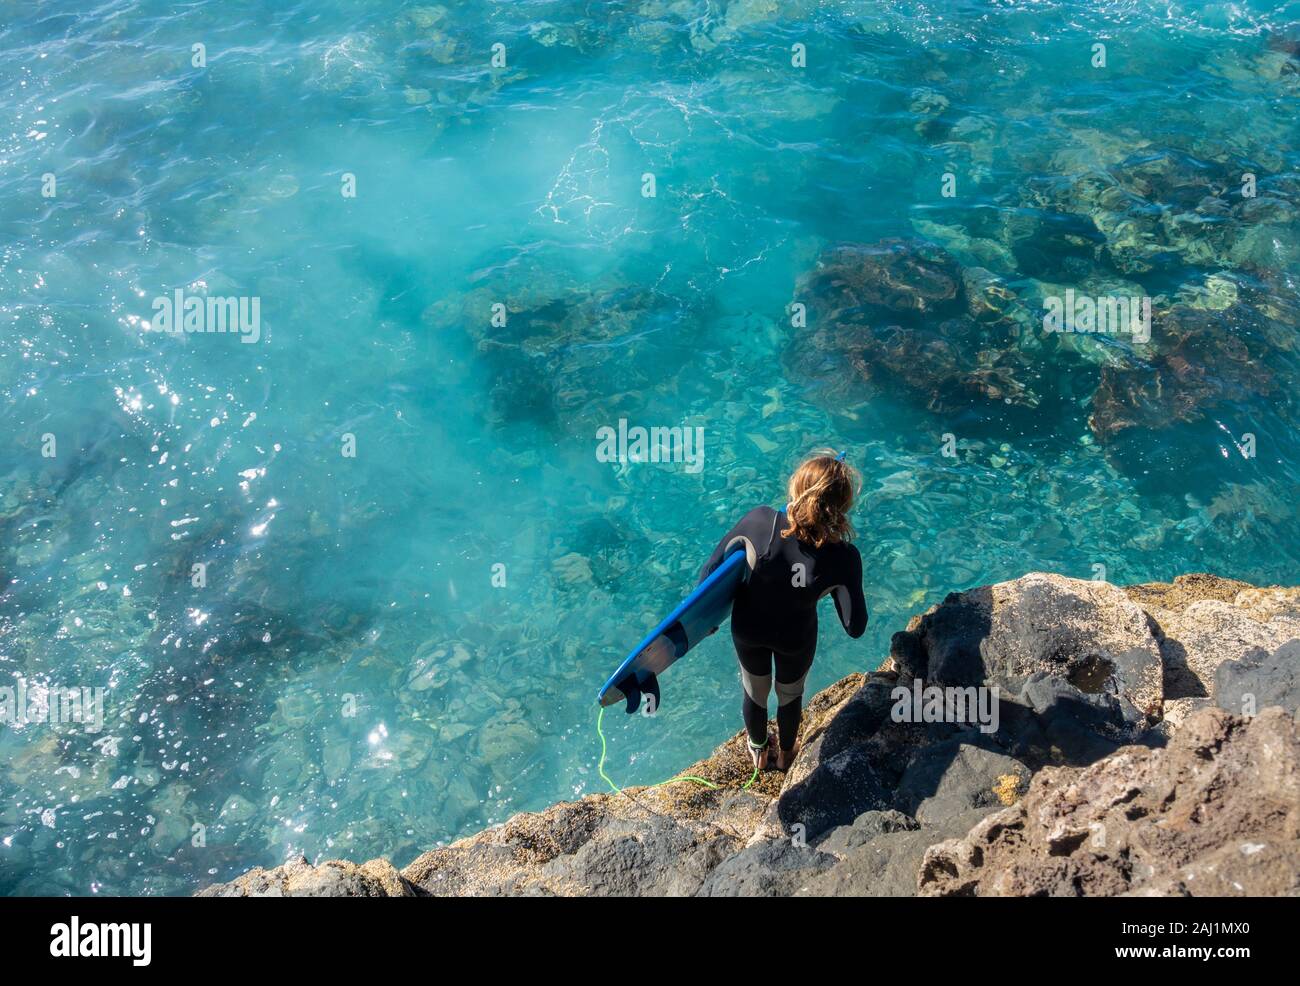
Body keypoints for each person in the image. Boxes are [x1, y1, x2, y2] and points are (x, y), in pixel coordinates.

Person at [699, 450, 867, 770]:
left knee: (754, 691)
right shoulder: (844, 557)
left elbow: (710, 571)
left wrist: (704, 622)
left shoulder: (759, 521)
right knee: (790, 697)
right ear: (843, 506)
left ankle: (759, 752)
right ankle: (787, 756)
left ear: (796, 490)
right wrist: (833, 585)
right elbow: (854, 626)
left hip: (748, 628)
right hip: (795, 637)